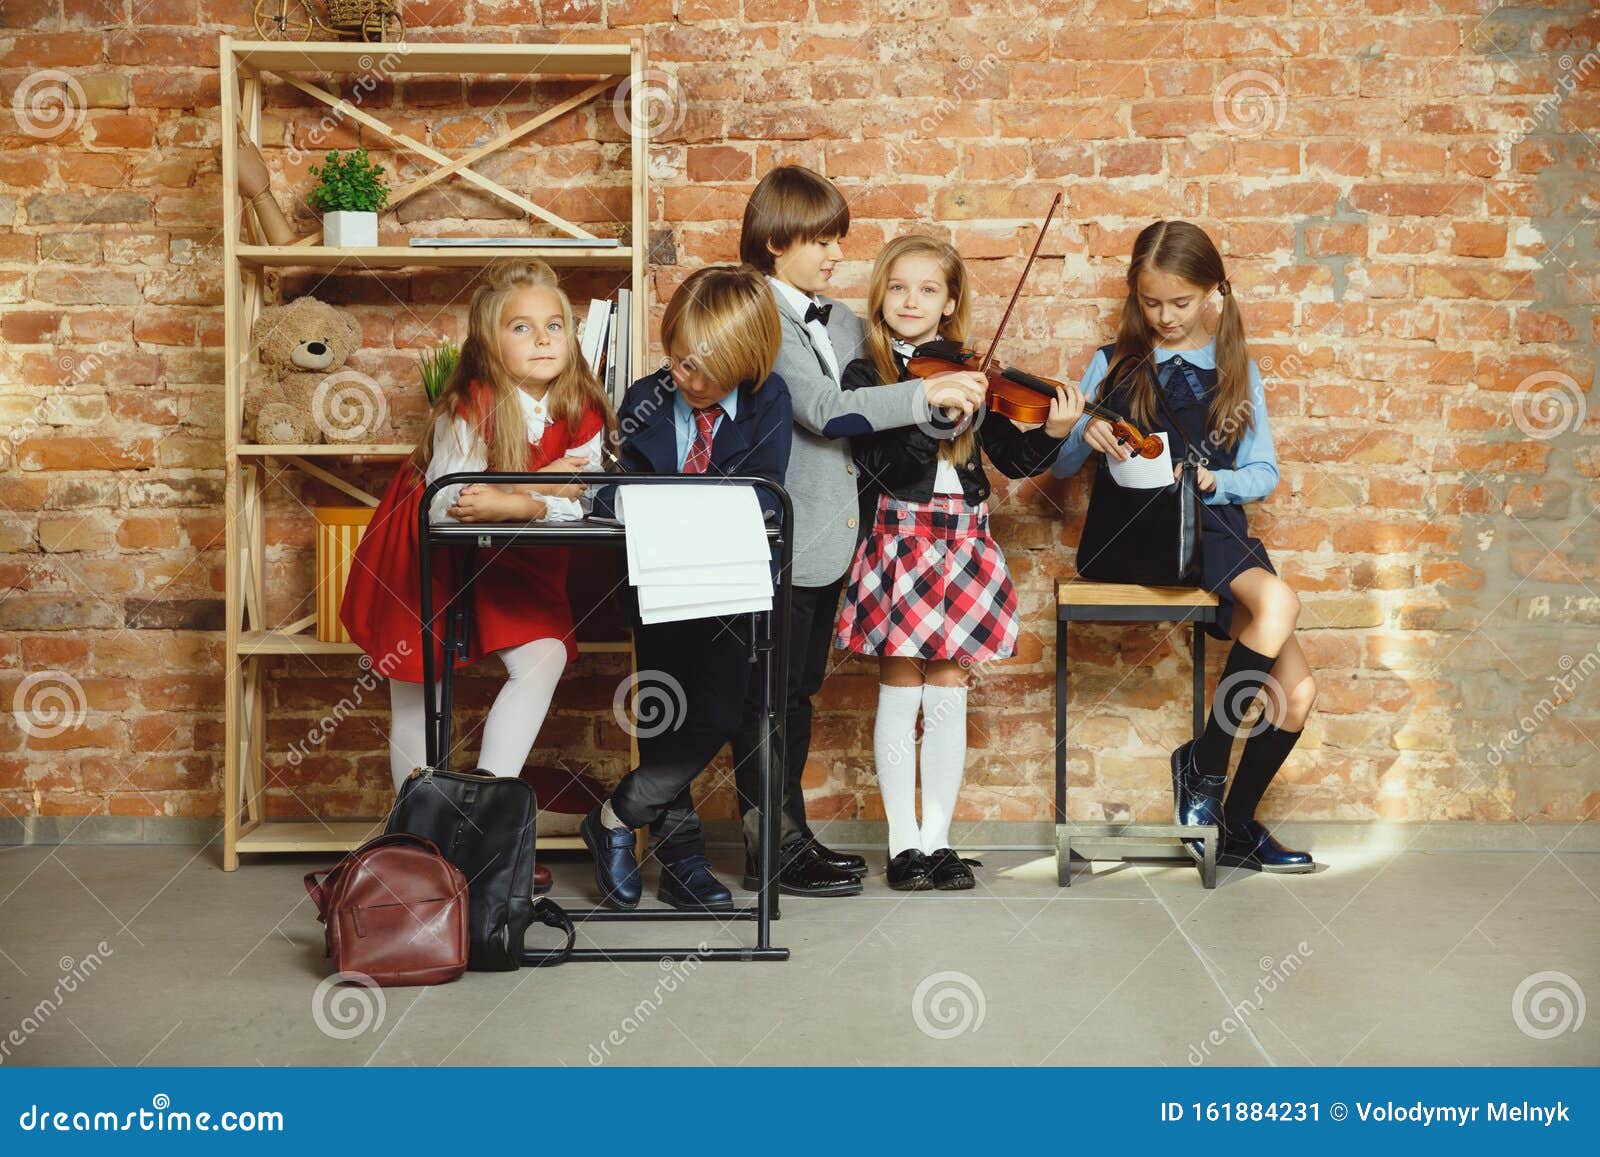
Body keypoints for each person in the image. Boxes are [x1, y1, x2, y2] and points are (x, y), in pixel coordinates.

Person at [731, 164, 989, 897]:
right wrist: (926, 395)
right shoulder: (758, 314)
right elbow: (825, 410)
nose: (836, 254)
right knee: (769, 692)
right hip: (784, 529)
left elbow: (882, 363)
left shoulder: (839, 320)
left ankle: (789, 837)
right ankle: (769, 847)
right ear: (777, 241)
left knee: (798, 689)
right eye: (821, 240)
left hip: (833, 536)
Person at [340, 261, 612, 897]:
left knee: (543, 656)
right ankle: (422, 848)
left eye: (555, 325)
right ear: (490, 342)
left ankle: (485, 834)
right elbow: (448, 505)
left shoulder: (585, 409)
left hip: (517, 556)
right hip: (425, 556)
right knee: (420, 688)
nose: (543, 338)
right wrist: (534, 492)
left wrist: (519, 503)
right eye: (522, 327)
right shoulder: (470, 405)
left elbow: (586, 499)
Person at [1053, 221, 1316, 874]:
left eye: (1181, 302)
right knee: (1279, 602)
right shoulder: (1113, 363)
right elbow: (1059, 469)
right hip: (1137, 536)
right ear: (1134, 297)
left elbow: (1263, 472)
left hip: (1212, 529)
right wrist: (1079, 433)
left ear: (1214, 293)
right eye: (1151, 303)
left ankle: (1234, 820)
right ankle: (1204, 767)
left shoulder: (1236, 370)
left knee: (1298, 694)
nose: (1165, 317)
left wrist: (1214, 480)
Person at [838, 235, 1083, 889]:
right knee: (900, 683)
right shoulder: (867, 375)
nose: (910, 301)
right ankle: (902, 845)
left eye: (927, 290)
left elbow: (1013, 460)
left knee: (948, 687)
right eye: (898, 287)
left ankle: (938, 841)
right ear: (880, 296)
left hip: (965, 540)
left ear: (950, 303)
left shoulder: (973, 373)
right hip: (898, 537)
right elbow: (881, 466)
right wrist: (932, 415)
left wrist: (1054, 434)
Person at [583, 265, 791, 911]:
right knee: (664, 715)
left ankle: (616, 817)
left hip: (731, 588)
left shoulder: (768, 400)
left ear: (747, 360)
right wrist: (633, 501)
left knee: (721, 712)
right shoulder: (645, 396)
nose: (690, 381)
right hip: (656, 582)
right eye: (680, 363)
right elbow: (611, 490)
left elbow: (765, 496)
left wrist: (666, 505)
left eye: (707, 370)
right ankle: (682, 862)